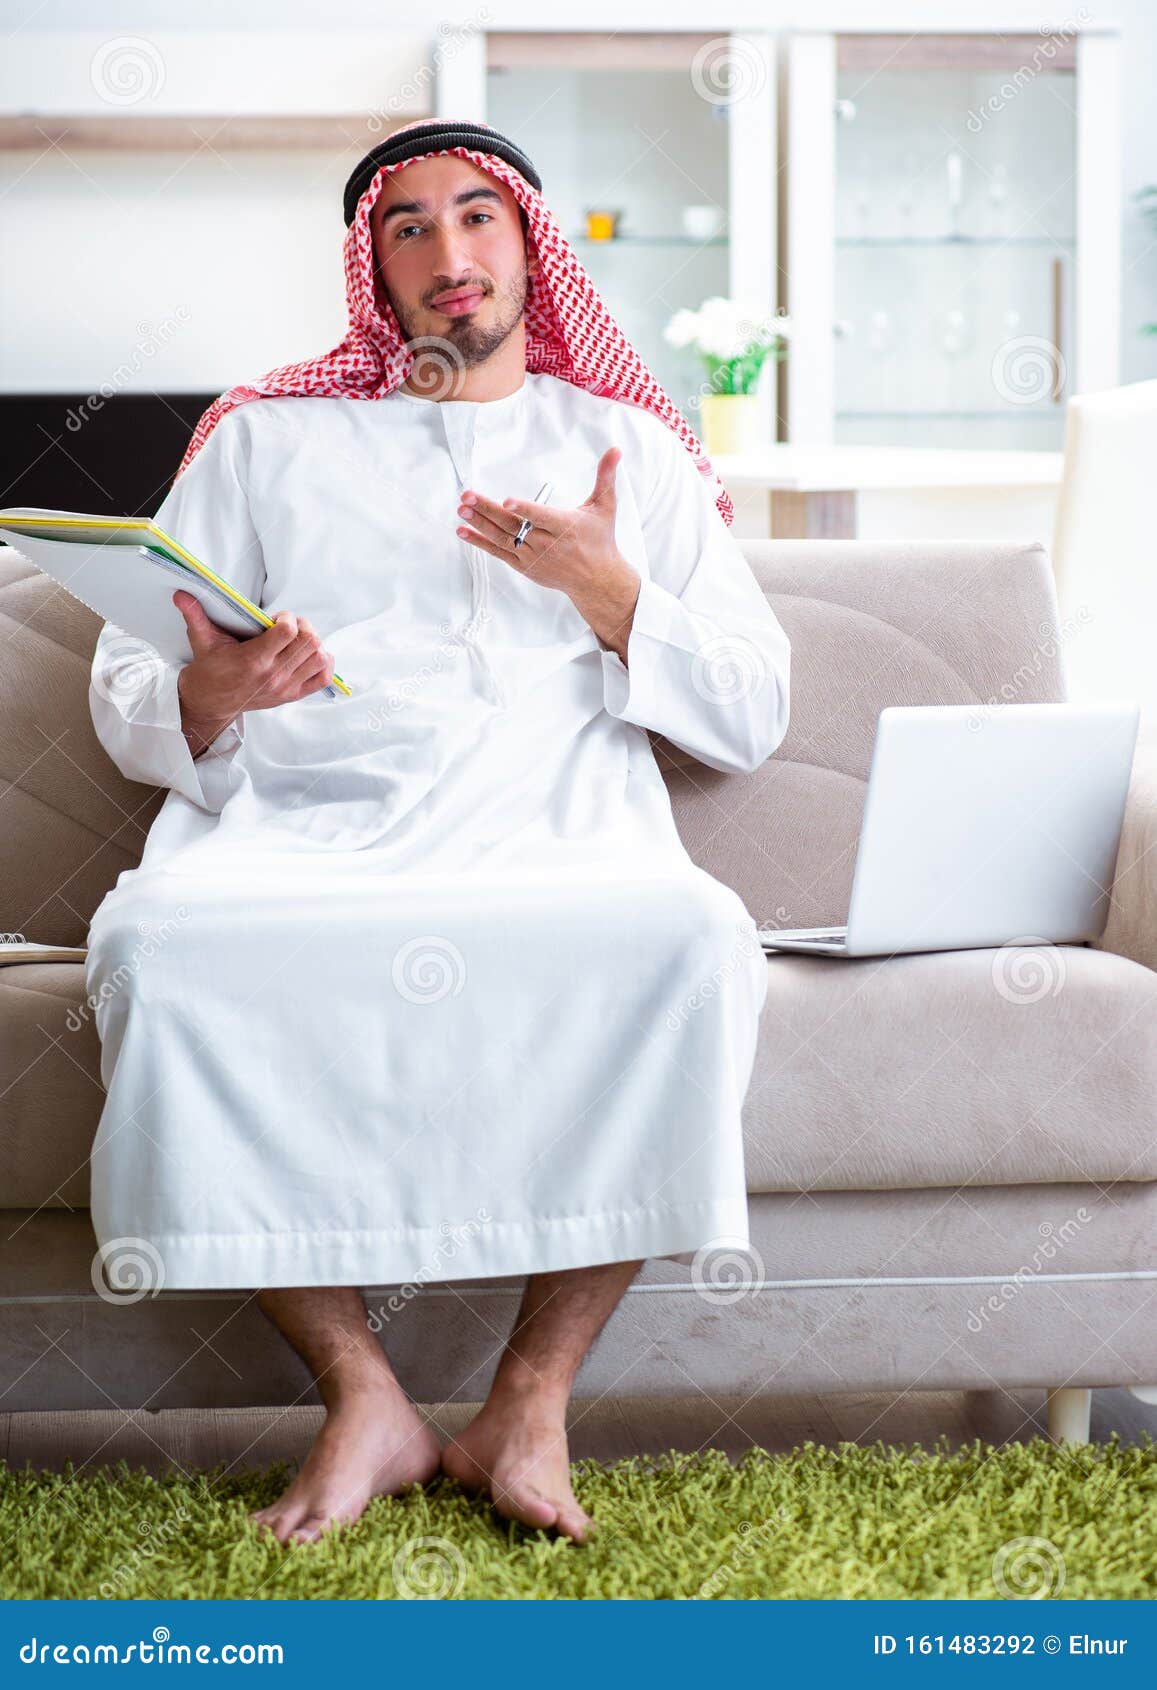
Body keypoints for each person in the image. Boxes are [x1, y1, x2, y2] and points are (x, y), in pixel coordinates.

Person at [84, 119, 791, 1548]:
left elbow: (754, 705)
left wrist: (615, 596)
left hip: (557, 824)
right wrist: (206, 695)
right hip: (307, 830)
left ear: (530, 240)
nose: (449, 253)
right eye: (408, 228)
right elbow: (125, 678)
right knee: (155, 942)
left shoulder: (628, 449)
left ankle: (530, 1397)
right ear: (372, 271)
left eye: (478, 216)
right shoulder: (267, 437)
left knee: (691, 934)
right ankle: (366, 1393)